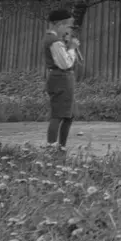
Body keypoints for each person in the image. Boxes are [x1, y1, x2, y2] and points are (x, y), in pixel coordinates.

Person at [43, 9, 81, 151]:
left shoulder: (57, 41)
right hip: (60, 78)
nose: (69, 30)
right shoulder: (54, 42)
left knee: (68, 115)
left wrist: (67, 45)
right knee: (58, 114)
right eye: (68, 26)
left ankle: (61, 147)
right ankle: (52, 147)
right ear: (59, 24)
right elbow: (65, 64)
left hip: (64, 79)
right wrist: (71, 48)